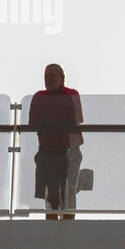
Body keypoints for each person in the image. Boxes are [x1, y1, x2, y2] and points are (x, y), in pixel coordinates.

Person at [28, 64, 83, 220]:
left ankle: (69, 227)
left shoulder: (72, 94)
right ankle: (51, 230)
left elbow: (75, 118)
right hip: (47, 152)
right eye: (46, 76)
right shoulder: (39, 97)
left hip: (69, 151)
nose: (48, 78)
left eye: (52, 75)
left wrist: (50, 119)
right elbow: (34, 123)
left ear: (62, 78)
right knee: (51, 198)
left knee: (69, 193)